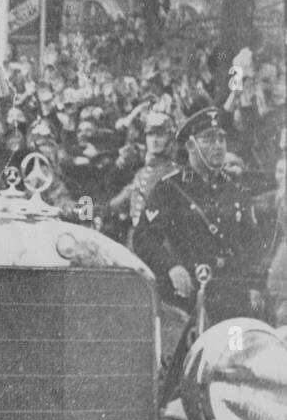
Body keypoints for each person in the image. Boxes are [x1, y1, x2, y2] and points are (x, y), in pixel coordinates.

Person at [133, 107, 275, 324]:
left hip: (234, 296)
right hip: (191, 296)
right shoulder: (170, 188)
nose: (218, 146)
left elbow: (252, 241)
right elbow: (144, 238)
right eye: (209, 139)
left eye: (221, 139)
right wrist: (171, 266)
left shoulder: (234, 187)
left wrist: (255, 283)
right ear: (191, 146)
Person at [108, 111, 177, 247]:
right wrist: (83, 211)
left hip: (160, 243)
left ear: (169, 139)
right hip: (134, 240)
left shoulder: (175, 172)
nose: (154, 140)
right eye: (150, 134)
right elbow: (117, 203)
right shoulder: (141, 173)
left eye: (160, 135)